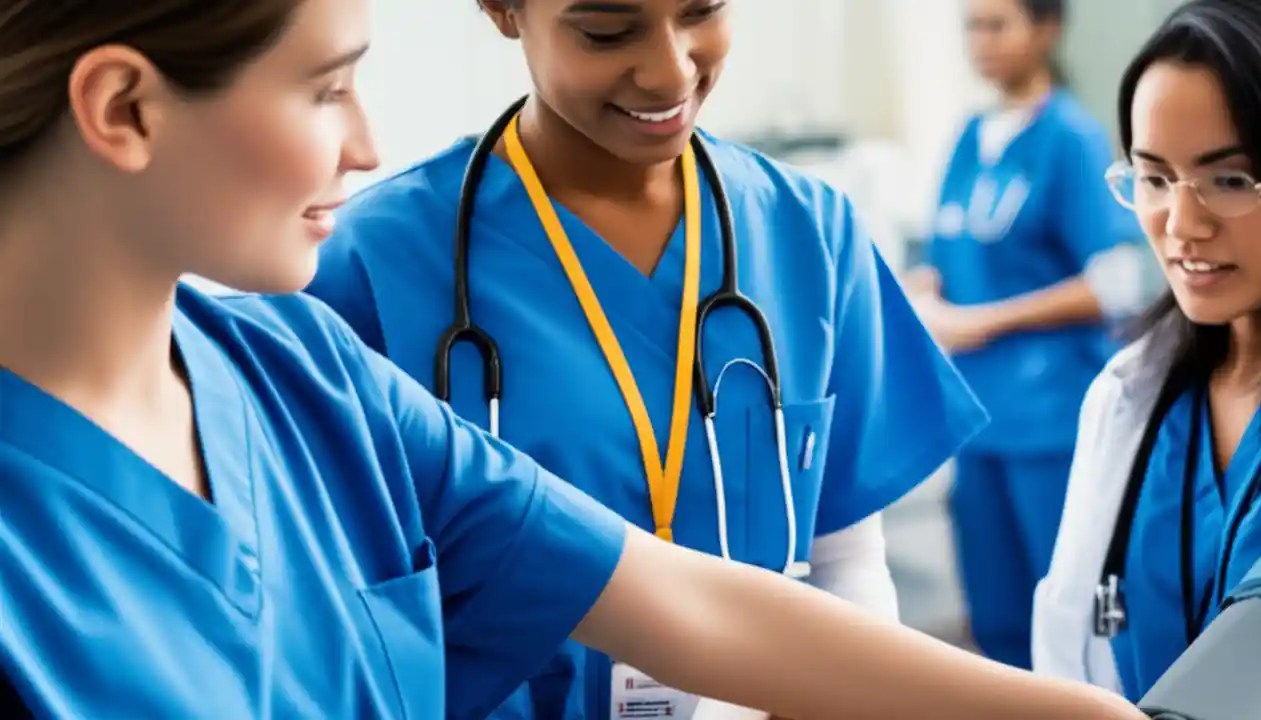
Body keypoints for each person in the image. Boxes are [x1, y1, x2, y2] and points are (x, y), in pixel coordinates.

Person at [0, 1, 1149, 719]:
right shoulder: (364, 279)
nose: (367, 143)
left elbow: (681, 599)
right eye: (327, 88)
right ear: (125, 108)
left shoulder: (303, 378)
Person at [306, 0, 990, 716]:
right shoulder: (369, 264)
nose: (670, 73)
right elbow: (334, 612)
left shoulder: (809, 232)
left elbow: (843, 558)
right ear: (503, 10)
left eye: (703, 10)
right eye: (607, 32)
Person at [1033, 0, 1261, 702]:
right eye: (1154, 178)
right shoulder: (1129, 396)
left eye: (1230, 180)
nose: (1181, 224)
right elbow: (1064, 653)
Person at [905, 0, 1141, 671]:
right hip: (977, 418)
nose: (980, 42)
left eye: (997, 25)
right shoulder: (969, 137)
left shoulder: (1070, 138)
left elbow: (1114, 283)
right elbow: (947, 255)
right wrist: (920, 290)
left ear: (1046, 30)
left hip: (1049, 419)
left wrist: (984, 321)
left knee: (1066, 615)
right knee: (996, 614)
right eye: (971, 26)